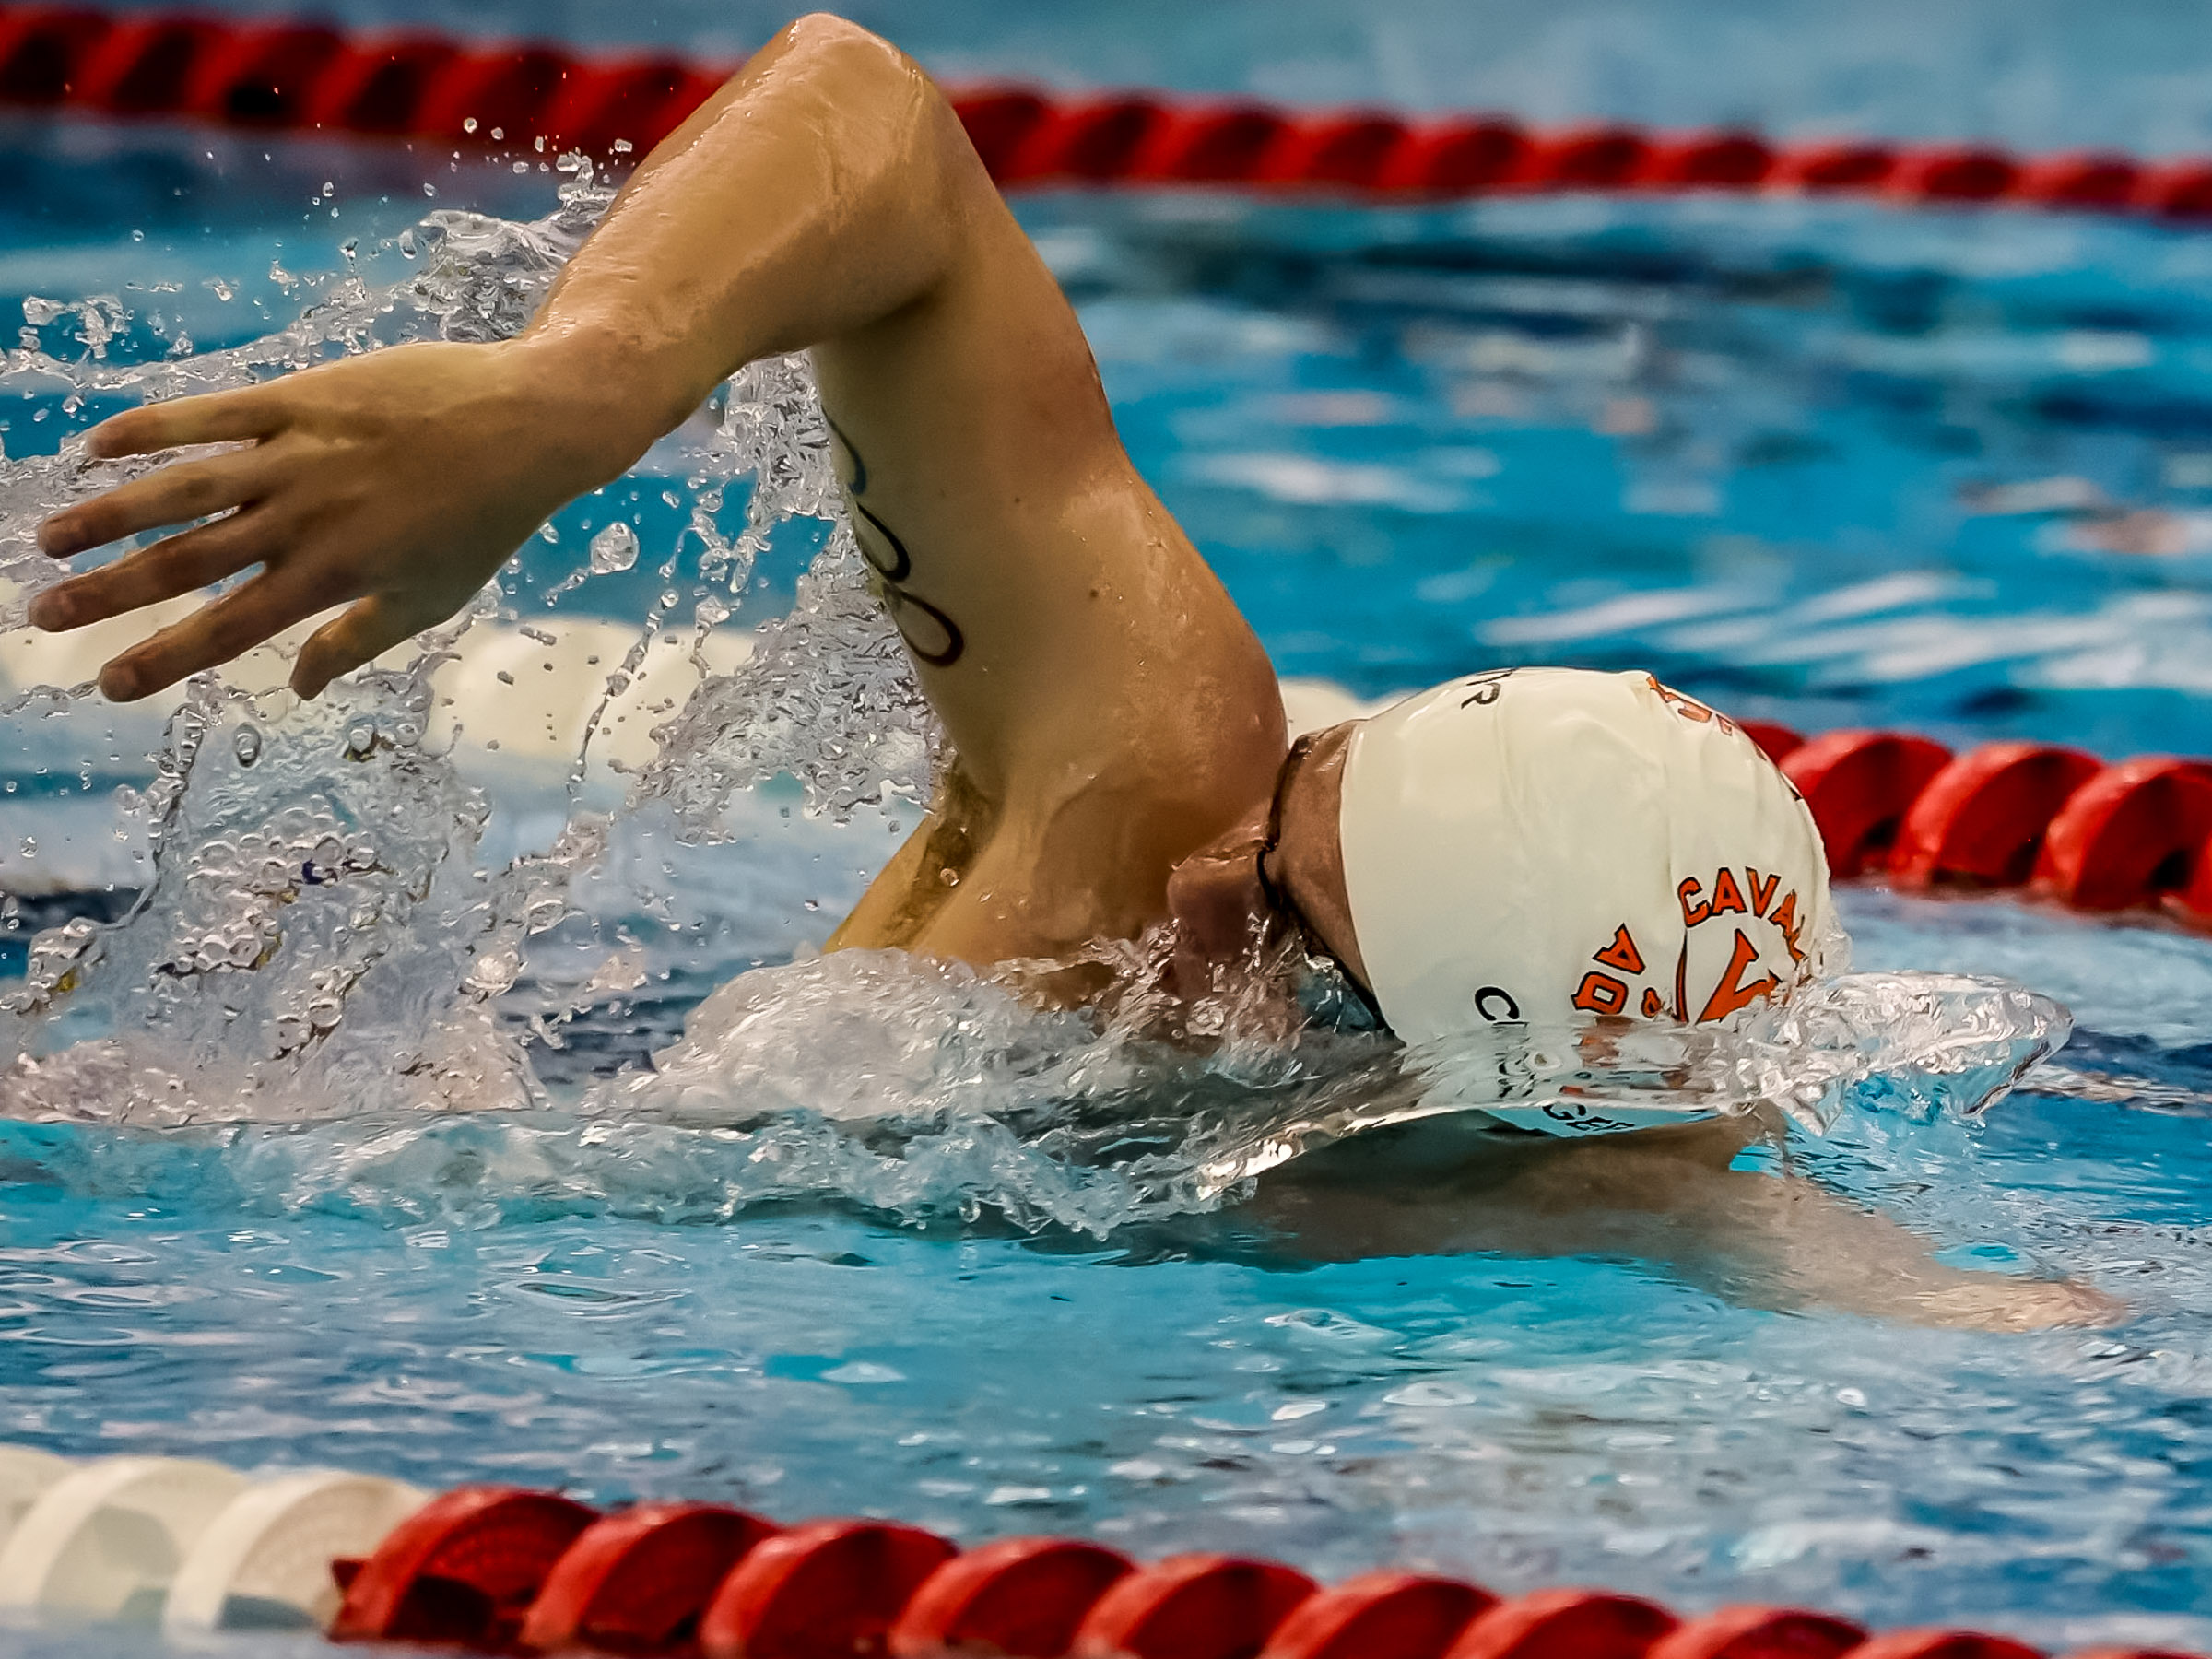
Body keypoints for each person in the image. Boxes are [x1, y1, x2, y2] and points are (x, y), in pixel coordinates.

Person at [24, 17, 2105, 1325]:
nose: (1202, 874)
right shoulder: (1139, 805)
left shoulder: (1566, 1185)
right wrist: (577, 394)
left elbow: (1867, 1278)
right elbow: (873, 111)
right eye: (1303, 787)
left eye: (1282, 913)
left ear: (1443, 1081)